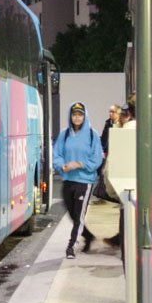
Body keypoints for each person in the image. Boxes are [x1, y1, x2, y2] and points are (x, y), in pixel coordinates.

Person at [53, 101, 103, 259]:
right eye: (74, 114)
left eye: (80, 114)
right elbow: (57, 155)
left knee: (79, 215)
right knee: (73, 213)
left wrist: (79, 164)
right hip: (68, 180)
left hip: (85, 180)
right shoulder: (65, 134)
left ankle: (71, 246)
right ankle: (87, 234)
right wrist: (63, 166)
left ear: (85, 116)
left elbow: (96, 159)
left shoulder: (92, 134)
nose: (77, 117)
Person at [104, 98, 136, 249]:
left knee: (128, 244)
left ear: (128, 115)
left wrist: (113, 193)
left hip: (127, 197)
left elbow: (109, 170)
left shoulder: (121, 134)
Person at [93, 105, 122, 202]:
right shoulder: (108, 123)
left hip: (117, 152)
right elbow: (104, 138)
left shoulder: (121, 124)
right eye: (110, 112)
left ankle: (112, 195)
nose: (111, 114)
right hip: (108, 151)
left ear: (118, 114)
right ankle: (103, 194)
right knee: (104, 173)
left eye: (113, 112)